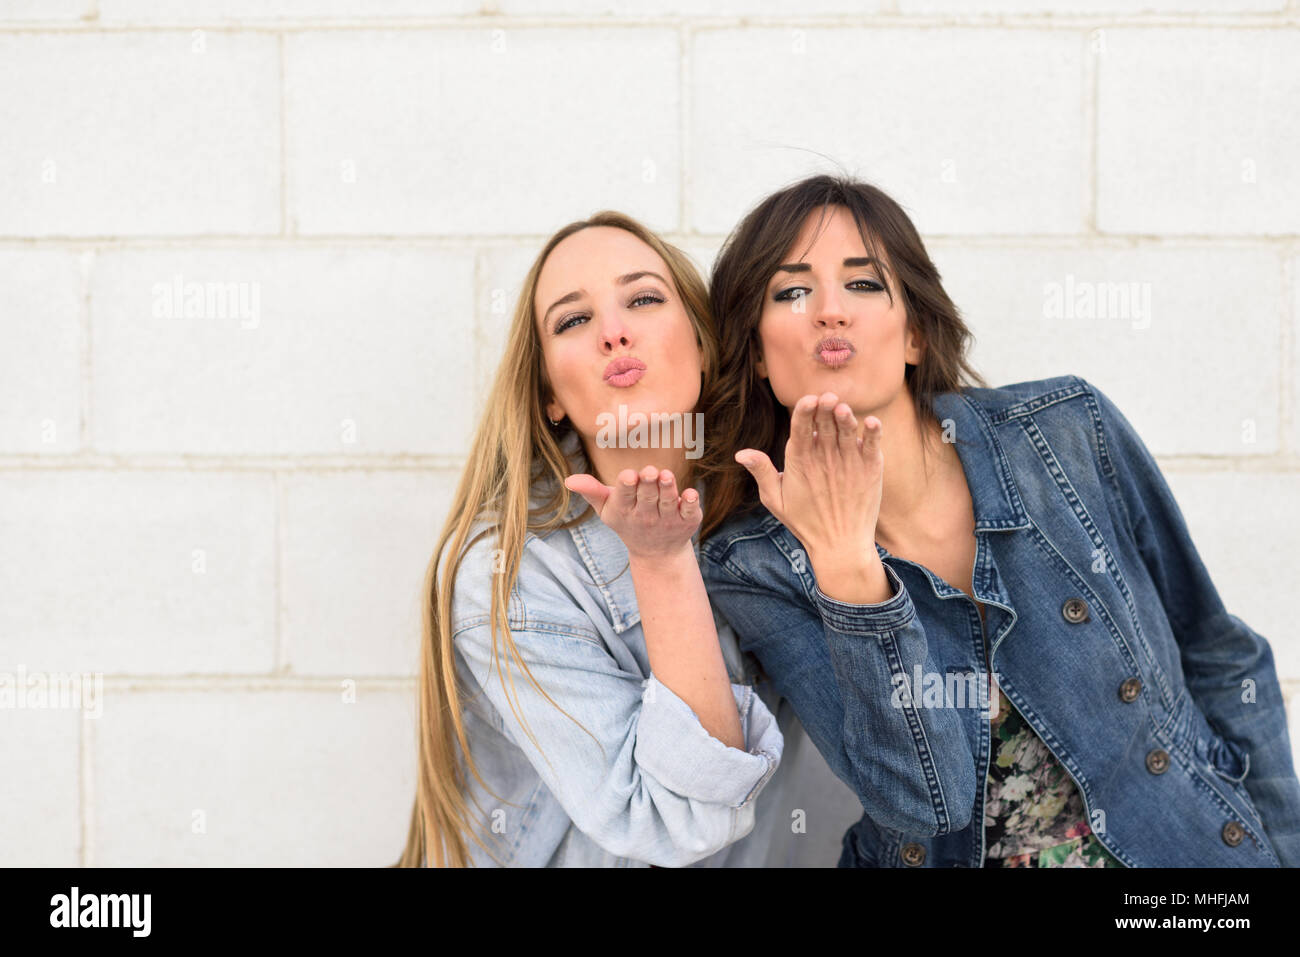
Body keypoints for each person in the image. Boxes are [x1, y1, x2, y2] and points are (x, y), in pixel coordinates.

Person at [694, 173, 1300, 868]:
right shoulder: (753, 561)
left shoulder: (1068, 430)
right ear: (761, 352)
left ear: (915, 332)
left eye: (863, 284)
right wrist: (848, 571)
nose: (830, 309)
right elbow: (927, 801)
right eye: (791, 291)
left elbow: (1222, 654)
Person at [394, 210, 785, 867]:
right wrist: (659, 561)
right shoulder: (509, 572)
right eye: (574, 320)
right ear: (550, 392)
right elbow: (673, 819)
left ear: (701, 339)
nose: (614, 331)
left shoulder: (768, 509)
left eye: (643, 298)